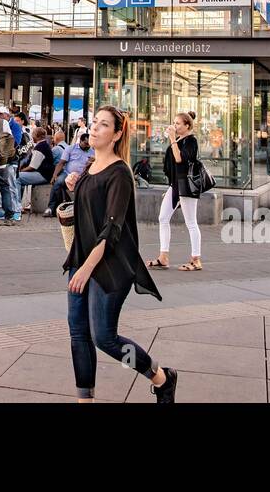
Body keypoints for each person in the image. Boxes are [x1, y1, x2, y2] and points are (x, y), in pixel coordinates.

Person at [63, 105, 177, 404]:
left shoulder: (120, 172)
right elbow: (90, 212)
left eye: (103, 125)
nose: (95, 128)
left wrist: (87, 269)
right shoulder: (89, 166)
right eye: (94, 123)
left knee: (105, 338)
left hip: (110, 267)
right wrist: (74, 186)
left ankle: (161, 377)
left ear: (116, 134)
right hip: (82, 260)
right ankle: (84, 400)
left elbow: (111, 228)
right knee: (78, 334)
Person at [149, 110, 204, 271]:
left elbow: (180, 159)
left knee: (191, 222)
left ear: (187, 126)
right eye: (174, 123)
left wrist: (173, 139)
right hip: (175, 185)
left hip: (187, 187)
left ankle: (196, 259)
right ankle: (163, 256)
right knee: (163, 218)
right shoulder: (179, 140)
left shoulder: (191, 141)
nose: (174, 126)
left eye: (178, 123)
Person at [47, 131, 93, 215]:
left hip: (83, 175)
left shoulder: (92, 151)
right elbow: (61, 163)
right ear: (81, 141)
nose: (88, 146)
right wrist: (54, 175)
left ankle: (80, 209)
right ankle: (51, 208)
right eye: (86, 144)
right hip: (67, 173)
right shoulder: (71, 148)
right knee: (58, 183)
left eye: (89, 144)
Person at [16, 126, 57, 213]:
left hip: (43, 175)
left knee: (17, 177)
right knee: (21, 180)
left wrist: (21, 171)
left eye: (33, 135)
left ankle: (17, 206)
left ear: (37, 136)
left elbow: (33, 167)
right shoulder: (44, 145)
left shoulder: (40, 148)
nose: (32, 137)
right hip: (45, 174)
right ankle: (18, 204)